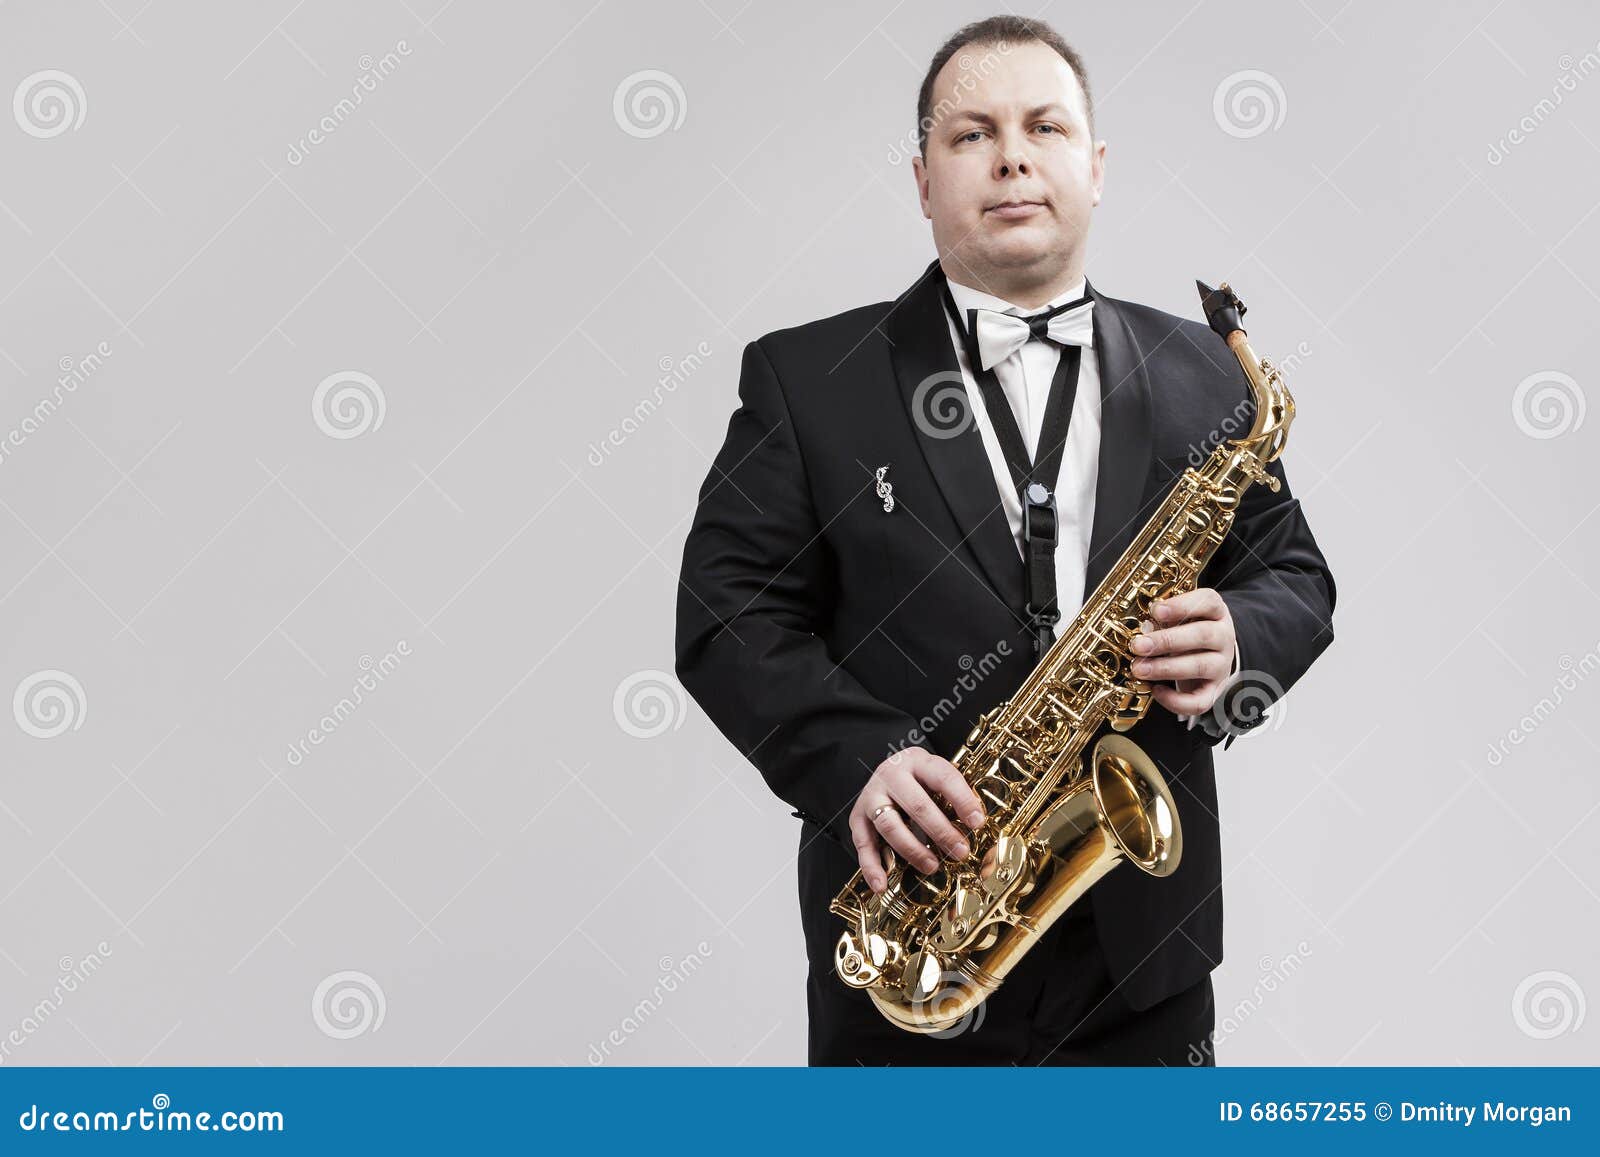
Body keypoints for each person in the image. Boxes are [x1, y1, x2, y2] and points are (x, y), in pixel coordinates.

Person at [674, 14, 1336, 1065]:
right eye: (971, 133)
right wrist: (858, 764)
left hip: (1142, 961)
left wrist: (1239, 635)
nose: (1013, 155)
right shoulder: (809, 380)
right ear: (923, 178)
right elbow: (726, 614)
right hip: (912, 929)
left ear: (1096, 165)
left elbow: (1295, 578)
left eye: (1045, 126)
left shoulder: (1204, 375)